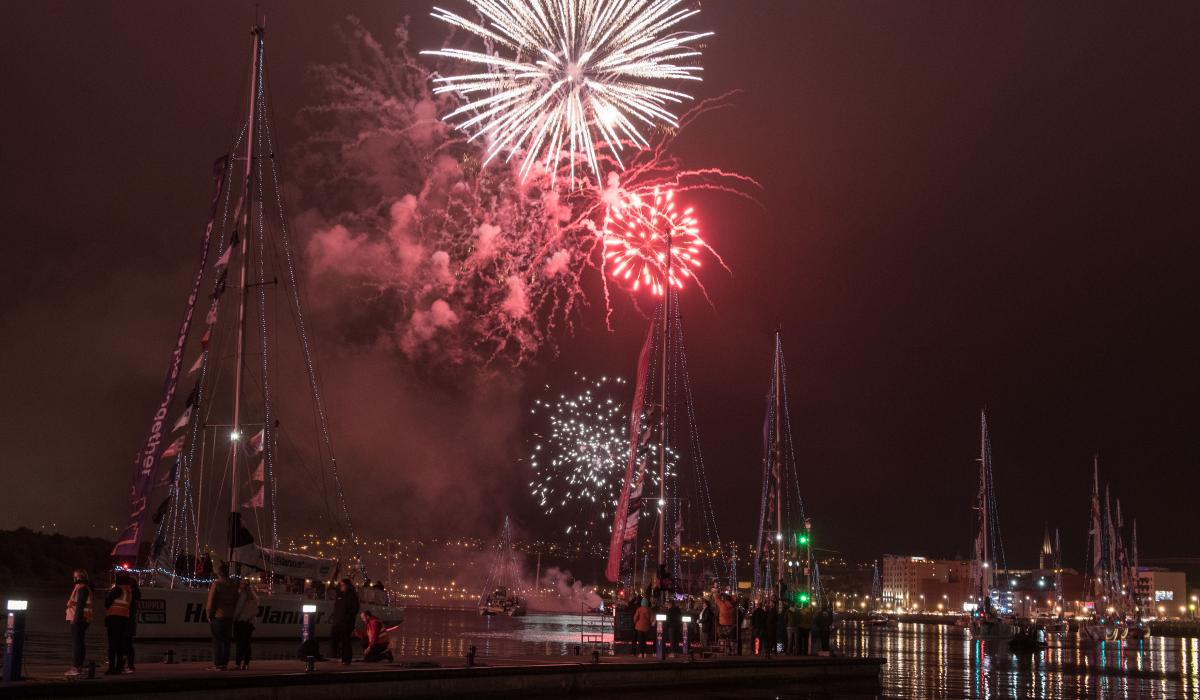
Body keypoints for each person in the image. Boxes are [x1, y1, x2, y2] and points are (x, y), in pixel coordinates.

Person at [205, 564, 239, 670]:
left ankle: (217, 664)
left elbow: (211, 601)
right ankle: (224, 663)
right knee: (226, 641)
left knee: (217, 641)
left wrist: (209, 615)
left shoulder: (216, 584)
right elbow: (236, 600)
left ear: (219, 573)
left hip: (218, 616)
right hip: (229, 616)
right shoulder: (234, 584)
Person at [103, 572, 133, 675]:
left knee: (112, 645)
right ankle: (119, 667)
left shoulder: (117, 589)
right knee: (120, 644)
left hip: (113, 618)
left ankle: (111, 668)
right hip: (124, 618)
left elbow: (107, 603)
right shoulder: (129, 590)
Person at [65, 569, 93, 677]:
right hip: (82, 619)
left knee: (77, 644)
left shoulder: (82, 589)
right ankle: (79, 667)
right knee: (80, 643)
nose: (74, 578)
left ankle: (76, 668)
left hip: (79, 620)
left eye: (75, 576)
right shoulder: (83, 587)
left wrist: (75, 620)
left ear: (79, 577)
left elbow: (80, 606)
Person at [331, 578, 360, 665]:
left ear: (347, 586)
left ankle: (346, 659)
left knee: (345, 640)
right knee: (334, 636)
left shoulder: (352, 596)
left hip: (347, 622)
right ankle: (336, 655)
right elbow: (337, 608)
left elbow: (354, 609)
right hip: (338, 621)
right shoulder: (339, 595)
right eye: (340, 585)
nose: (341, 586)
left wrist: (348, 617)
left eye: (343, 585)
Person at [233, 578, 259, 670]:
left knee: (239, 644)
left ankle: (238, 664)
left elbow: (239, 608)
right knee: (247, 644)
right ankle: (246, 663)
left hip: (241, 622)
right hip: (250, 622)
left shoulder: (243, 595)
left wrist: (234, 618)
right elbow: (256, 611)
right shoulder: (255, 597)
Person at [124, 576, 142, 671]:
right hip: (131, 622)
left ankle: (127, 664)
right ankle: (130, 664)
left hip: (127, 621)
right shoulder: (136, 593)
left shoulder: (130, 593)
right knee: (129, 644)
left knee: (126, 644)